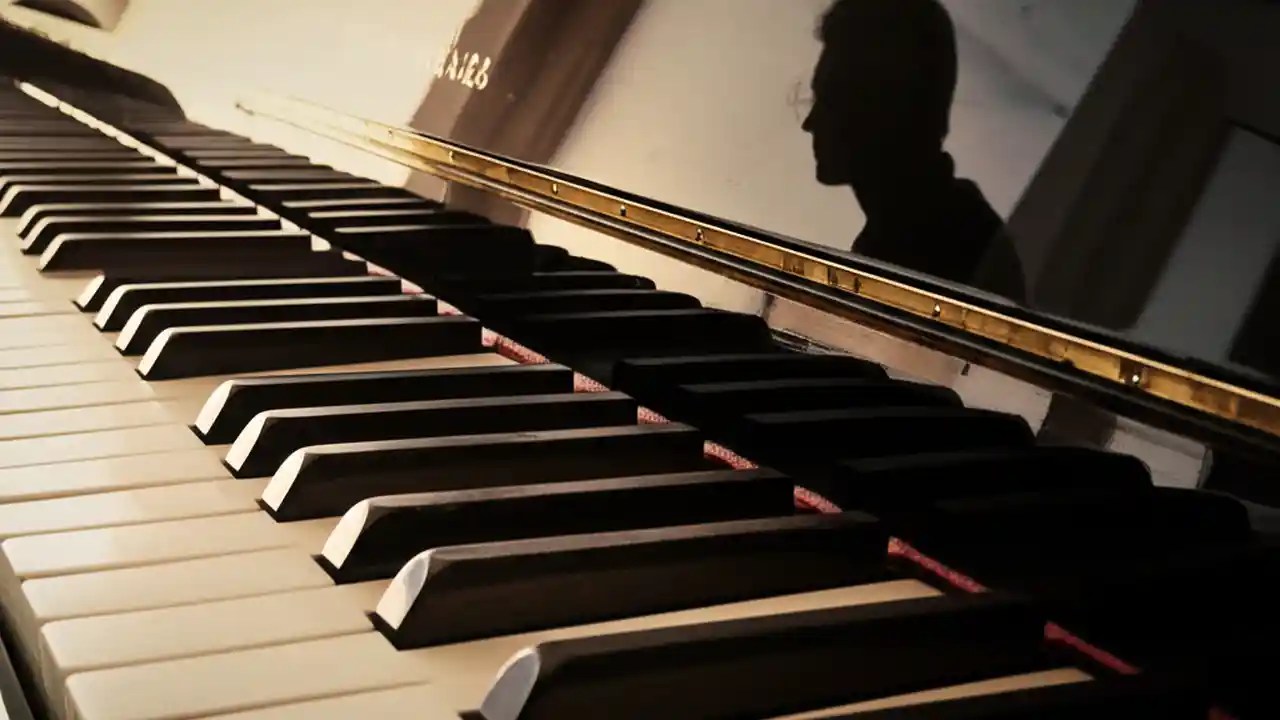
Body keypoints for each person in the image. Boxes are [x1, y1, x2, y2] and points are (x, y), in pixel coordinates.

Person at [802, 0, 1026, 301]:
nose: (809, 122)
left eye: (831, 99)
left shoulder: (946, 251)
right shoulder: (902, 237)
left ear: (888, 106)